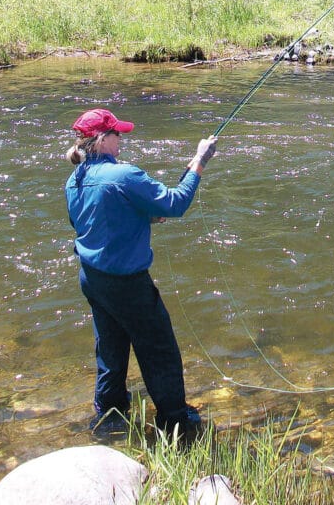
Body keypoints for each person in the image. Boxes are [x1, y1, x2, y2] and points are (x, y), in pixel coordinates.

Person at [65, 106, 216, 440]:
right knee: (159, 350)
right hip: (127, 285)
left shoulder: (73, 181)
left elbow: (85, 224)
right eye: (118, 135)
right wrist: (200, 159)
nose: (123, 141)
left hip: (92, 278)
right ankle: (176, 423)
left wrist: (142, 217)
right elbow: (176, 203)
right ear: (103, 139)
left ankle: (110, 418)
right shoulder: (124, 175)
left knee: (110, 348)